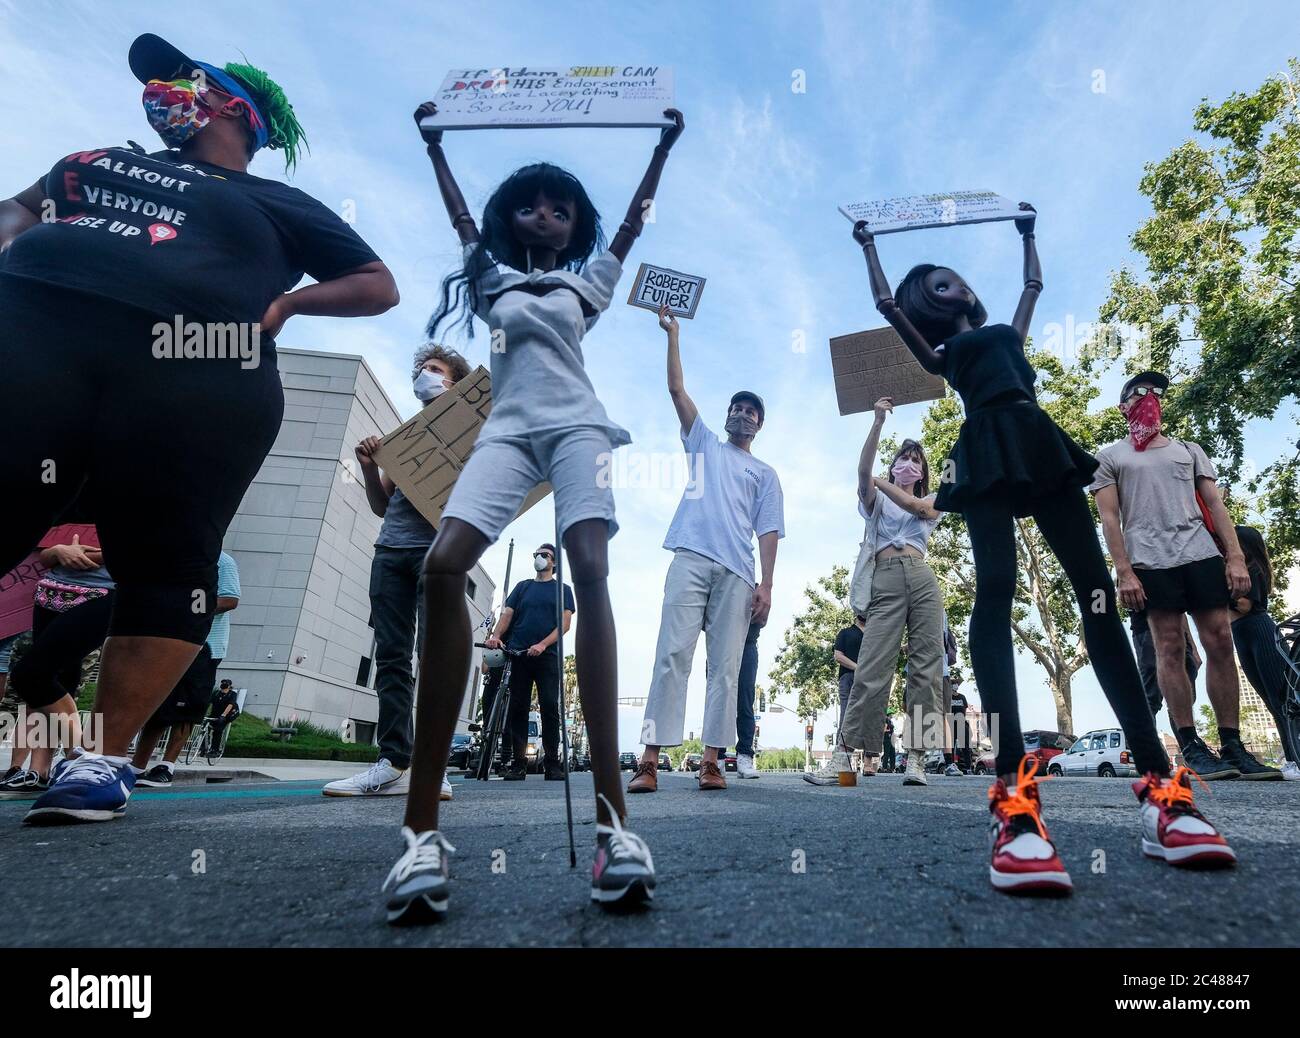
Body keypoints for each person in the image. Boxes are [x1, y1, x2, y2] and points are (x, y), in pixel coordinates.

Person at [1, 33, 397, 826]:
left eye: (186, 80)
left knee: (167, 562)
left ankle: (101, 761)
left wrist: (283, 307)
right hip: (33, 342)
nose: (164, 91)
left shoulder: (281, 204)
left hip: (193, 380)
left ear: (236, 109)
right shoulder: (94, 163)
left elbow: (375, 284)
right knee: (34, 653)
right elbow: (15, 213)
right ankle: (35, 755)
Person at [853, 208, 1234, 894]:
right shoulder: (943, 354)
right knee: (994, 591)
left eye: (955, 278)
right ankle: (1012, 796)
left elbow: (1033, 287)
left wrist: (1028, 233)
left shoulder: (1005, 333)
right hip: (986, 446)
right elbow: (884, 302)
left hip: (1037, 437)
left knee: (1096, 598)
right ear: (925, 304)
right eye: (939, 284)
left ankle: (1158, 785)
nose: (956, 285)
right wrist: (869, 246)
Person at [383, 100, 685, 922]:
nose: (545, 215)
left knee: (592, 570)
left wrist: (662, 143)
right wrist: (434, 145)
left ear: (573, 224)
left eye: (560, 208)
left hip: (579, 428)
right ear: (510, 220)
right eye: (530, 205)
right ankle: (420, 832)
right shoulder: (493, 280)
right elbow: (455, 217)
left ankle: (615, 825)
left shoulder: (586, 284)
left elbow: (631, 226)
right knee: (442, 564)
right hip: (506, 436)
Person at [1092, 372, 1277, 780]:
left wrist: (1235, 558)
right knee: (1170, 647)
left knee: (1220, 640)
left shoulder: (1189, 451)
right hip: (1149, 563)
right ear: (1123, 407)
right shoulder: (1110, 457)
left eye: (1157, 392)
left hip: (1199, 555)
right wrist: (1124, 572)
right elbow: (1109, 519)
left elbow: (1215, 504)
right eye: (1139, 392)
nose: (1150, 397)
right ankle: (1191, 744)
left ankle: (1232, 744)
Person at [631, 306, 785, 794]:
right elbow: (677, 390)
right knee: (670, 655)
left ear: (759, 426)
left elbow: (769, 531)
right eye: (737, 408)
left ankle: (712, 762)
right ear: (727, 417)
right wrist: (673, 335)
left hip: (738, 574)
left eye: (752, 412)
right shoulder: (704, 445)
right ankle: (650, 761)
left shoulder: (765, 474)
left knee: (726, 668)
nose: (743, 414)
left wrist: (766, 585)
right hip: (691, 558)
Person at [322, 345, 470, 801]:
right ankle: (392, 761)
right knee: (391, 655)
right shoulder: (404, 437)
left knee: (435, 658)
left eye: (436, 370)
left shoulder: (473, 437)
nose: (426, 375)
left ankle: (433, 763)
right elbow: (382, 505)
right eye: (423, 369)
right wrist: (370, 467)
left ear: (455, 384)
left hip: (439, 556)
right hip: (390, 553)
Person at [808, 400, 944, 789]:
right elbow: (863, 472)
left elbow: (919, 507)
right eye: (903, 458)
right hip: (884, 577)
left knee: (927, 667)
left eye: (915, 460)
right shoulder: (877, 499)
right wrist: (878, 422)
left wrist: (883, 481)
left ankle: (916, 759)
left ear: (922, 471)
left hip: (921, 577)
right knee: (871, 665)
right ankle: (844, 759)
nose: (908, 463)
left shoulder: (933, 500)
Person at [5, 525, 112, 800]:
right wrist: (60, 551)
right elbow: (46, 555)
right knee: (48, 685)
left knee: (32, 675)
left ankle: (86, 759)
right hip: (49, 594)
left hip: (102, 595)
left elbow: (147, 553)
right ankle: (38, 772)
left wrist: (84, 554)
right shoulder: (74, 502)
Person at [131, 551, 240, 787]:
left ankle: (166, 766)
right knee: (157, 705)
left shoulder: (221, 560)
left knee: (188, 706)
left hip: (204, 644)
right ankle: (137, 766)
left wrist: (192, 606)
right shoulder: (174, 556)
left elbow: (230, 599)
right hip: (166, 640)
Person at [484, 543, 576, 781]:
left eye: (544, 555)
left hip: (547, 656)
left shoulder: (563, 590)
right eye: (536, 554)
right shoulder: (522, 587)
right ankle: (518, 763)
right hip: (518, 654)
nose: (539, 558)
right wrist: (495, 637)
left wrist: (543, 644)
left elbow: (564, 624)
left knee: (548, 706)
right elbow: (507, 615)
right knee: (517, 707)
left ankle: (553, 763)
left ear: (553, 563)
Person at [1230, 526, 1300, 779]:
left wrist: (1214, 592)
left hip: (1259, 631)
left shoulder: (1252, 570)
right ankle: (1293, 758)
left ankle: (1295, 759)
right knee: (1271, 703)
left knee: (1282, 701)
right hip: (1241, 634)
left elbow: (1244, 605)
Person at [1129, 609, 1200, 721]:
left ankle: (1188, 737)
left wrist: (1193, 646)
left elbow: (1180, 608)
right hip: (1147, 629)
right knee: (1151, 695)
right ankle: (1143, 738)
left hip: (1179, 632)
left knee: (1183, 697)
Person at [734, 620, 764, 779]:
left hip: (748, 642)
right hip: (720, 642)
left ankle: (745, 756)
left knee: (745, 702)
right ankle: (715, 758)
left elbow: (761, 617)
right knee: (718, 703)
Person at [205, 679, 242, 753]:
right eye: (222, 683)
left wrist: (223, 715)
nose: (223, 685)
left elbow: (230, 705)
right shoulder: (216, 693)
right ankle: (204, 746)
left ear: (229, 686)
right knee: (205, 728)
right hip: (214, 714)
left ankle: (215, 749)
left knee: (218, 730)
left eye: (225, 684)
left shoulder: (232, 694)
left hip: (225, 716)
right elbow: (209, 703)